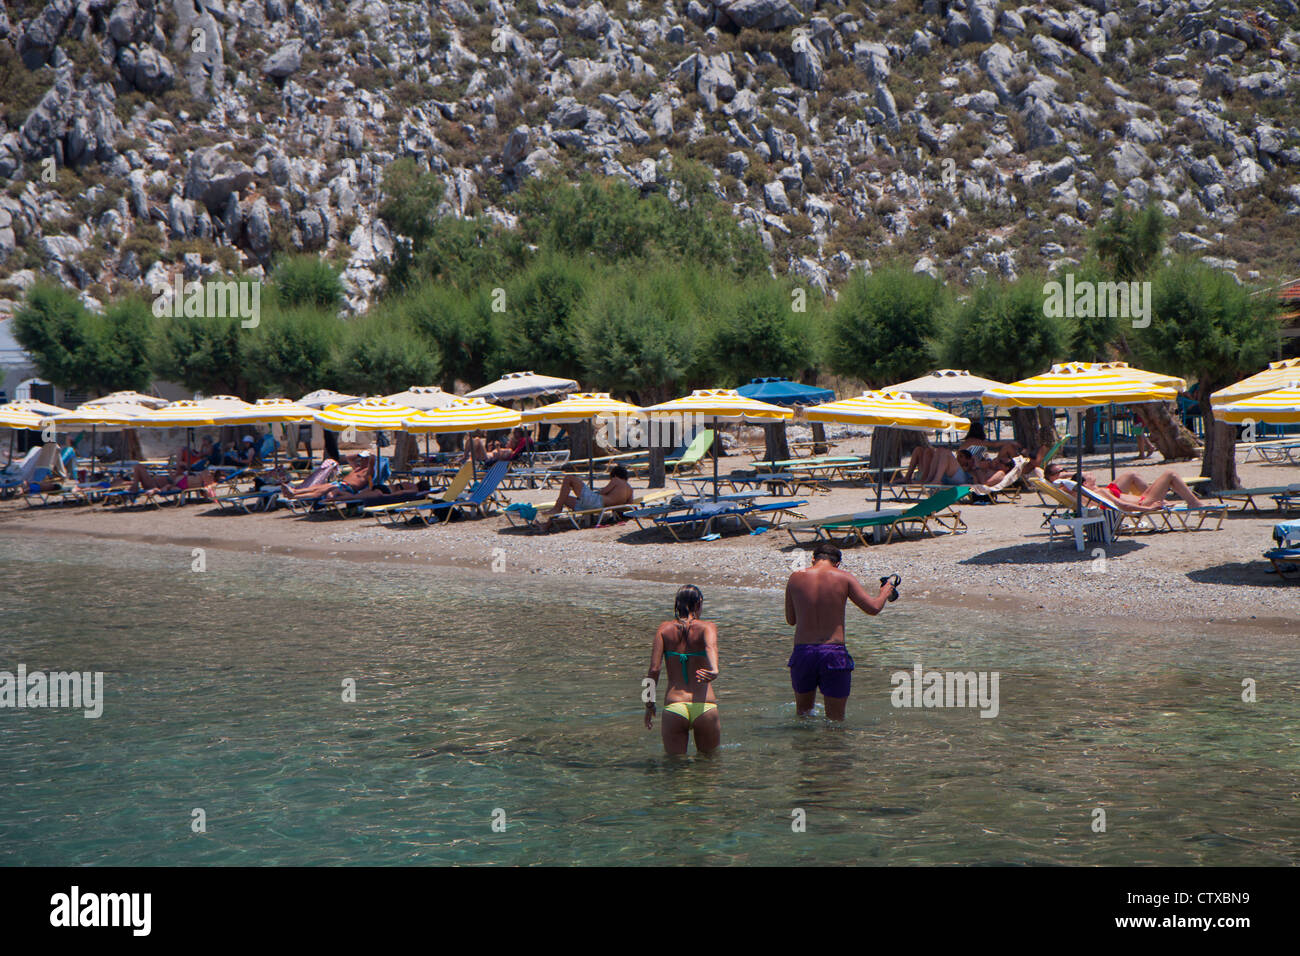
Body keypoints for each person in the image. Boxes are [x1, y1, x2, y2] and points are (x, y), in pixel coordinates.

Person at [784, 542, 897, 721]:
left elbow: (791, 621)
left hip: (803, 653)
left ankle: (805, 748)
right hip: (833, 653)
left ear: (813, 559)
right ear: (837, 564)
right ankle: (833, 749)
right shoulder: (844, 577)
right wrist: (885, 591)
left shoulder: (795, 577)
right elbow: (873, 608)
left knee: (803, 716)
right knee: (835, 721)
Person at [644, 585, 720, 755]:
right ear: (699, 603)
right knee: (709, 769)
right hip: (705, 706)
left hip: (674, 707)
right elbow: (710, 646)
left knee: (675, 771)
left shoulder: (663, 629)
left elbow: (654, 670)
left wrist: (648, 704)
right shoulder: (707, 627)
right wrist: (714, 669)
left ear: (677, 604)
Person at [540, 465, 633, 529]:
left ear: (615, 474)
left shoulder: (616, 480)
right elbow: (629, 506)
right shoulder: (630, 489)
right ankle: (546, 525)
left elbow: (603, 492)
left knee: (569, 478)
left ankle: (556, 509)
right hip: (598, 506)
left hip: (595, 501)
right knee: (563, 499)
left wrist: (597, 492)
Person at [1072, 470, 1206, 512]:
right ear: (1085, 483)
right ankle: (1194, 503)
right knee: (1170, 474)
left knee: (1169, 476)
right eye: (1088, 475)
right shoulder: (1100, 492)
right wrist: (1150, 509)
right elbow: (1123, 506)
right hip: (1143, 504)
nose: (1091, 473)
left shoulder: (1095, 493)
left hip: (1142, 501)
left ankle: (1193, 501)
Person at [279, 452, 374, 501]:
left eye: (364, 459)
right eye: (361, 458)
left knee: (325, 489)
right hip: (339, 484)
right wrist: (359, 454)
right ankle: (294, 492)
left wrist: (371, 457)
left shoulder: (368, 471)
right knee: (317, 487)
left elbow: (371, 466)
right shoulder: (357, 468)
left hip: (347, 488)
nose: (361, 460)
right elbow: (348, 457)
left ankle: (294, 496)